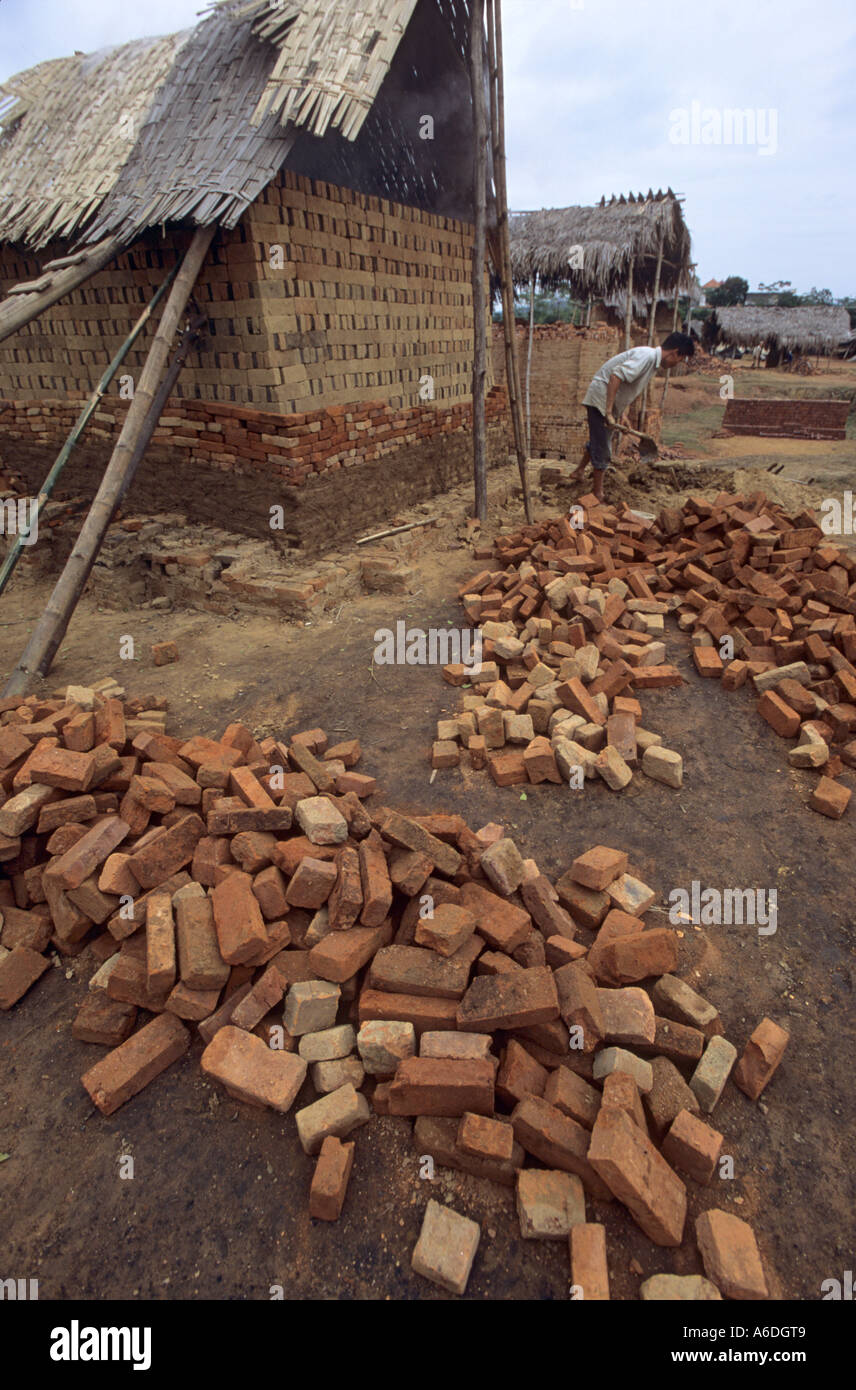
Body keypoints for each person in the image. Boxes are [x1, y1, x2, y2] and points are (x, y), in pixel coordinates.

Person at [571, 331, 695, 500]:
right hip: (600, 396)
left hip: (607, 400)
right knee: (603, 447)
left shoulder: (652, 362)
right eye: (679, 360)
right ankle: (597, 494)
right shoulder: (647, 356)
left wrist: (620, 416)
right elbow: (615, 377)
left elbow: (624, 388)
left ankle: (579, 471)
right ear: (674, 352)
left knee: (599, 438)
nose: (676, 364)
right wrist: (608, 411)